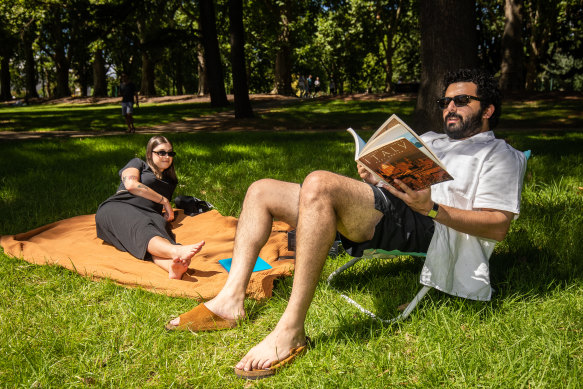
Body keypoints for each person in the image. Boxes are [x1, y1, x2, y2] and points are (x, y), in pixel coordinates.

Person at [165, 69, 527, 379]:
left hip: (432, 226)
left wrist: (431, 208)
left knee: (320, 183)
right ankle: (231, 299)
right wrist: (373, 175)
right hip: (393, 205)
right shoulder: (430, 140)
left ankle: (291, 330)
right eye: (445, 102)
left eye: (461, 101)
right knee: (261, 191)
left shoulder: (499, 156)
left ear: (488, 109)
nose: (450, 107)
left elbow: (497, 227)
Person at [96, 136, 205, 279]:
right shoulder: (138, 164)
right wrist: (164, 201)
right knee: (140, 224)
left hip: (148, 214)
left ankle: (172, 267)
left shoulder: (171, 181)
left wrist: (167, 213)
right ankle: (176, 250)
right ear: (149, 154)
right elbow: (131, 185)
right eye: (161, 152)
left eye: (170, 153)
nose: (167, 156)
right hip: (120, 206)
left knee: (155, 230)